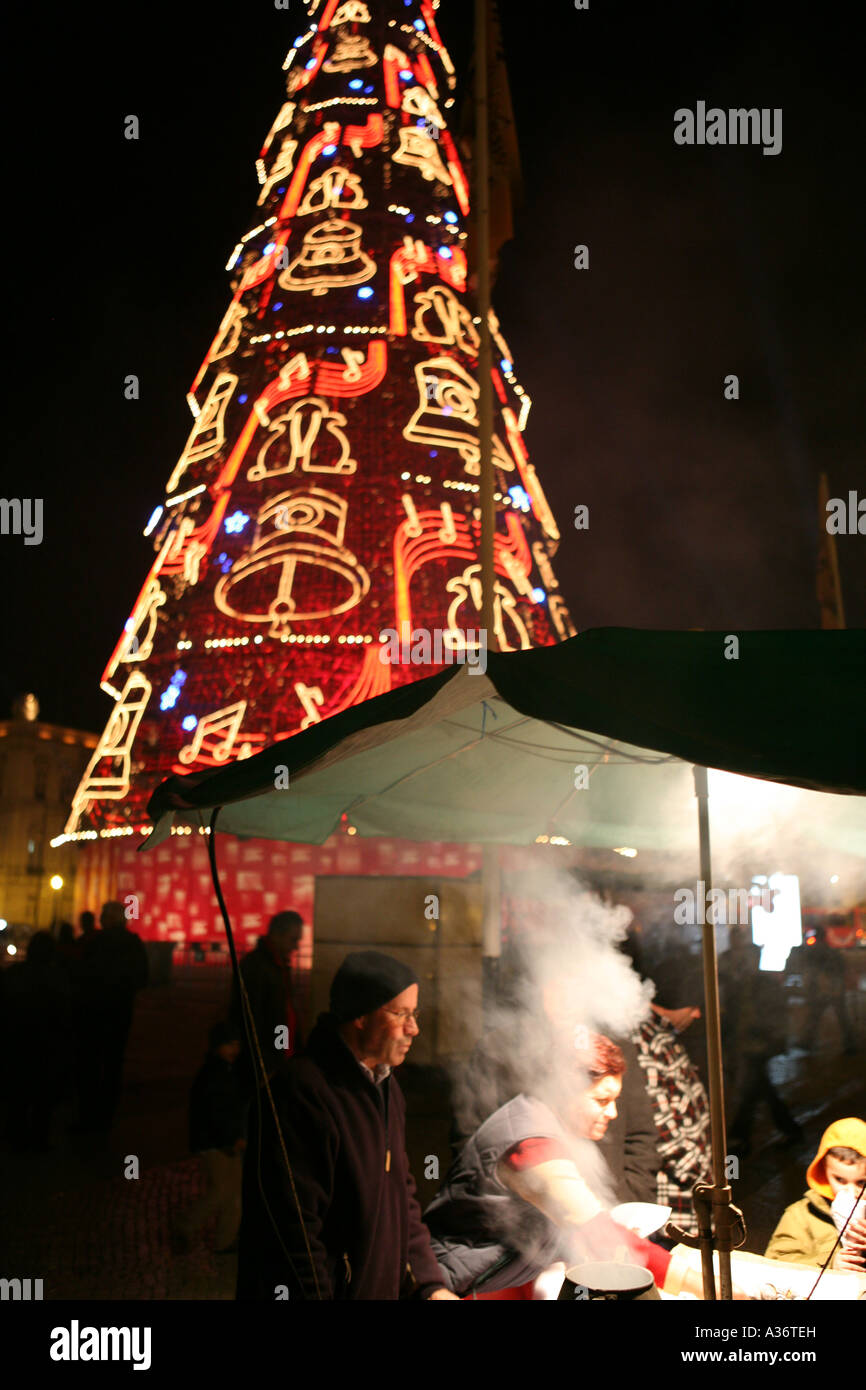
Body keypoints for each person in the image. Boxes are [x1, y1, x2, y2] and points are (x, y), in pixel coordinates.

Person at [236, 950, 457, 1299]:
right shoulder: (301, 1093)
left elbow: (401, 1197)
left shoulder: (387, 1087)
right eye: (400, 1013)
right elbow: (294, 1235)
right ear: (360, 1016)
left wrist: (430, 1285)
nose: (413, 1028)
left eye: (414, 1014)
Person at [424, 1033, 712, 1299]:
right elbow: (594, 1231)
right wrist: (703, 1286)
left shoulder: (542, 1119)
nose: (611, 1113)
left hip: (498, 1283)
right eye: (601, 1100)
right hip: (460, 1288)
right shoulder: (530, 1146)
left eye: (615, 1101)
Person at [720, 927, 801, 1156]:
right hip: (745, 1042)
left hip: (758, 1044)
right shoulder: (737, 983)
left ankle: (740, 1138)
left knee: (751, 1088)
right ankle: (789, 1130)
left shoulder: (764, 984)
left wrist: (771, 1037)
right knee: (759, 1088)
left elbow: (775, 1016)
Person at [172, 1020, 247, 1255]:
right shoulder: (214, 1074)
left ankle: (226, 1239)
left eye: (236, 1045)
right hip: (216, 1144)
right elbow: (215, 1112)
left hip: (224, 1141)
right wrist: (232, 1137)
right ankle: (186, 1225)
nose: (234, 1050)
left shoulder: (225, 1071)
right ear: (218, 1046)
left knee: (234, 1193)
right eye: (229, 1045)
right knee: (223, 1190)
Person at [74, 900, 149, 1133]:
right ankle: (106, 1116)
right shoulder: (133, 944)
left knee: (91, 1064)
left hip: (93, 1012)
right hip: (119, 1012)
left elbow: (81, 975)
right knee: (113, 1064)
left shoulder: (96, 942)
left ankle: (88, 1115)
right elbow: (142, 977)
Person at [765, 1118, 866, 1271]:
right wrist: (830, 1263)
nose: (852, 1192)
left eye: (861, 1183)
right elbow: (775, 1262)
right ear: (823, 1170)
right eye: (840, 1179)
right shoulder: (801, 1215)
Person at [229, 910, 304, 1096]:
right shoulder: (257, 967)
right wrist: (270, 1061)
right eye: (293, 939)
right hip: (263, 1064)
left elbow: (283, 1017)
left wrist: (286, 1051)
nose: (296, 947)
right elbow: (250, 1018)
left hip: (275, 1058)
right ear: (276, 935)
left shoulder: (278, 966)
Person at [799, 920, 856, 1054]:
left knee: (814, 1016)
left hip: (820, 989)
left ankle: (808, 1043)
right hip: (835, 987)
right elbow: (842, 968)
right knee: (842, 1017)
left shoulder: (811, 951)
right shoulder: (832, 952)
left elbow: (807, 969)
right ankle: (850, 1045)